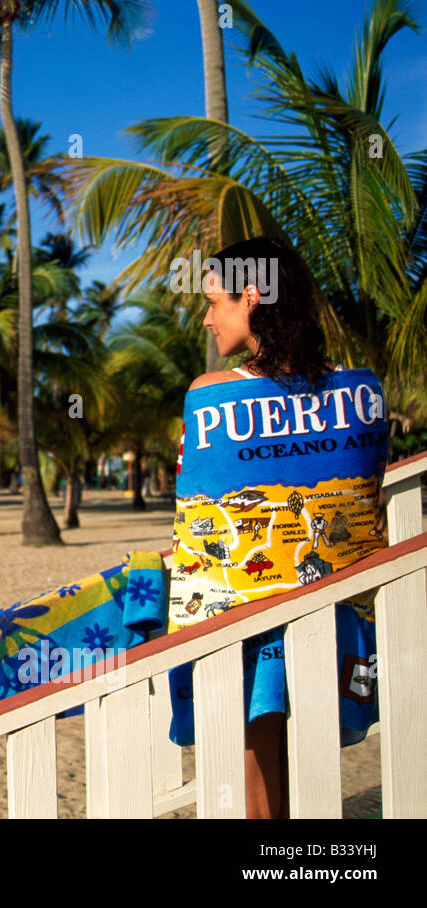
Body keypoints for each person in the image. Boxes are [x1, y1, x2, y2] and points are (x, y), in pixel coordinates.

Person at [168, 236, 390, 819]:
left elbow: (195, 517)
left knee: (256, 779)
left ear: (250, 296)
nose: (208, 317)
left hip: (246, 617)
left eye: (214, 301)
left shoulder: (211, 395)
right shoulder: (362, 391)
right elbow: (365, 505)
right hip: (343, 619)